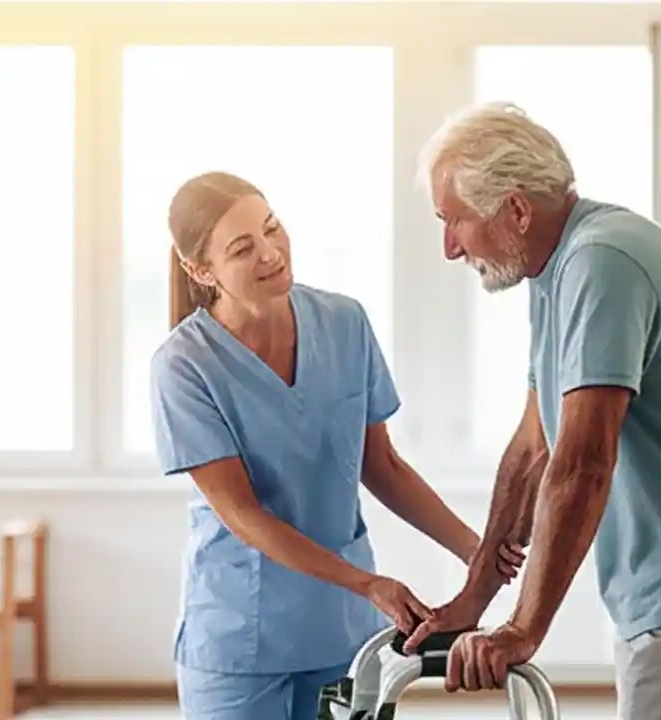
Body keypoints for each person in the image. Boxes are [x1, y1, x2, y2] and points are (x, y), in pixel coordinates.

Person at [403, 103, 661, 720]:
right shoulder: (554, 268)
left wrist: (522, 628)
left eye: (455, 220)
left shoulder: (602, 262)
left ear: (516, 210)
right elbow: (532, 450)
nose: (448, 248)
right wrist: (475, 598)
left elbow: (583, 463)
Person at [148, 171, 524, 720]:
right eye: (242, 248)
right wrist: (367, 583)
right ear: (200, 270)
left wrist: (478, 551)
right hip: (239, 636)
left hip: (340, 631)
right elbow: (242, 514)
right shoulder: (184, 366)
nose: (271, 252)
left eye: (272, 228)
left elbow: (385, 467)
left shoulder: (344, 323)